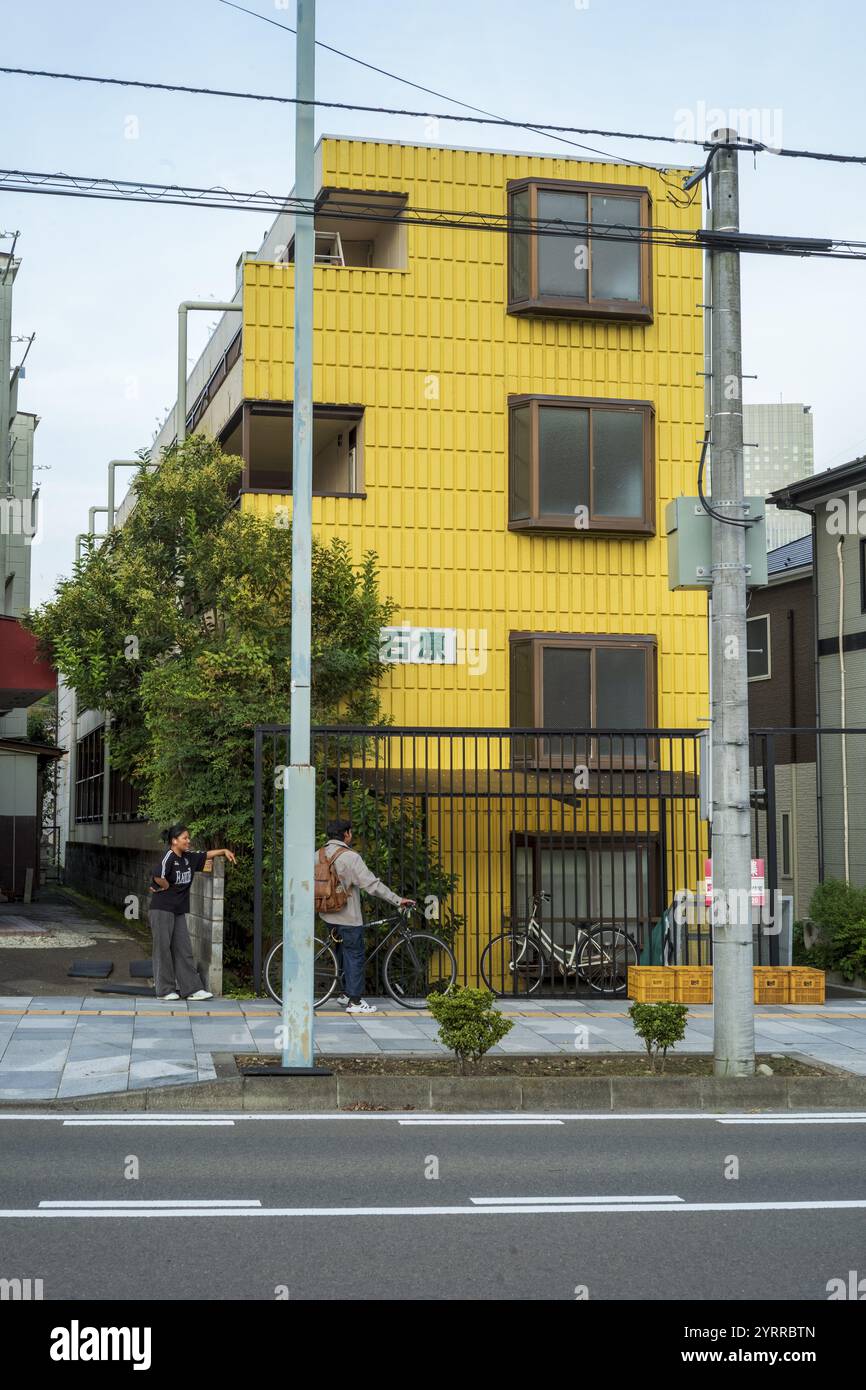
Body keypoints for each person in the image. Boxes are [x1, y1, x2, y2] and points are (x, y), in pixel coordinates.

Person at [318, 818, 414, 1014]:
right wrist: (397, 900)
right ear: (346, 834)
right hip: (348, 917)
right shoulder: (350, 857)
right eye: (350, 832)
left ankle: (345, 994)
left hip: (327, 915)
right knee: (354, 955)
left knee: (342, 953)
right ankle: (354, 1001)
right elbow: (372, 885)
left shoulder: (318, 855)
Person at [149, 823, 237, 1001]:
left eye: (188, 838)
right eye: (185, 838)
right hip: (162, 909)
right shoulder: (169, 857)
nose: (188, 841)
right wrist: (165, 886)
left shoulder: (188, 858)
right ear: (174, 841)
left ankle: (192, 989)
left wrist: (224, 850)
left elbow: (206, 855)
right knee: (163, 949)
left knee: (184, 949)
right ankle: (165, 990)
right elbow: (157, 875)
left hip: (179, 910)